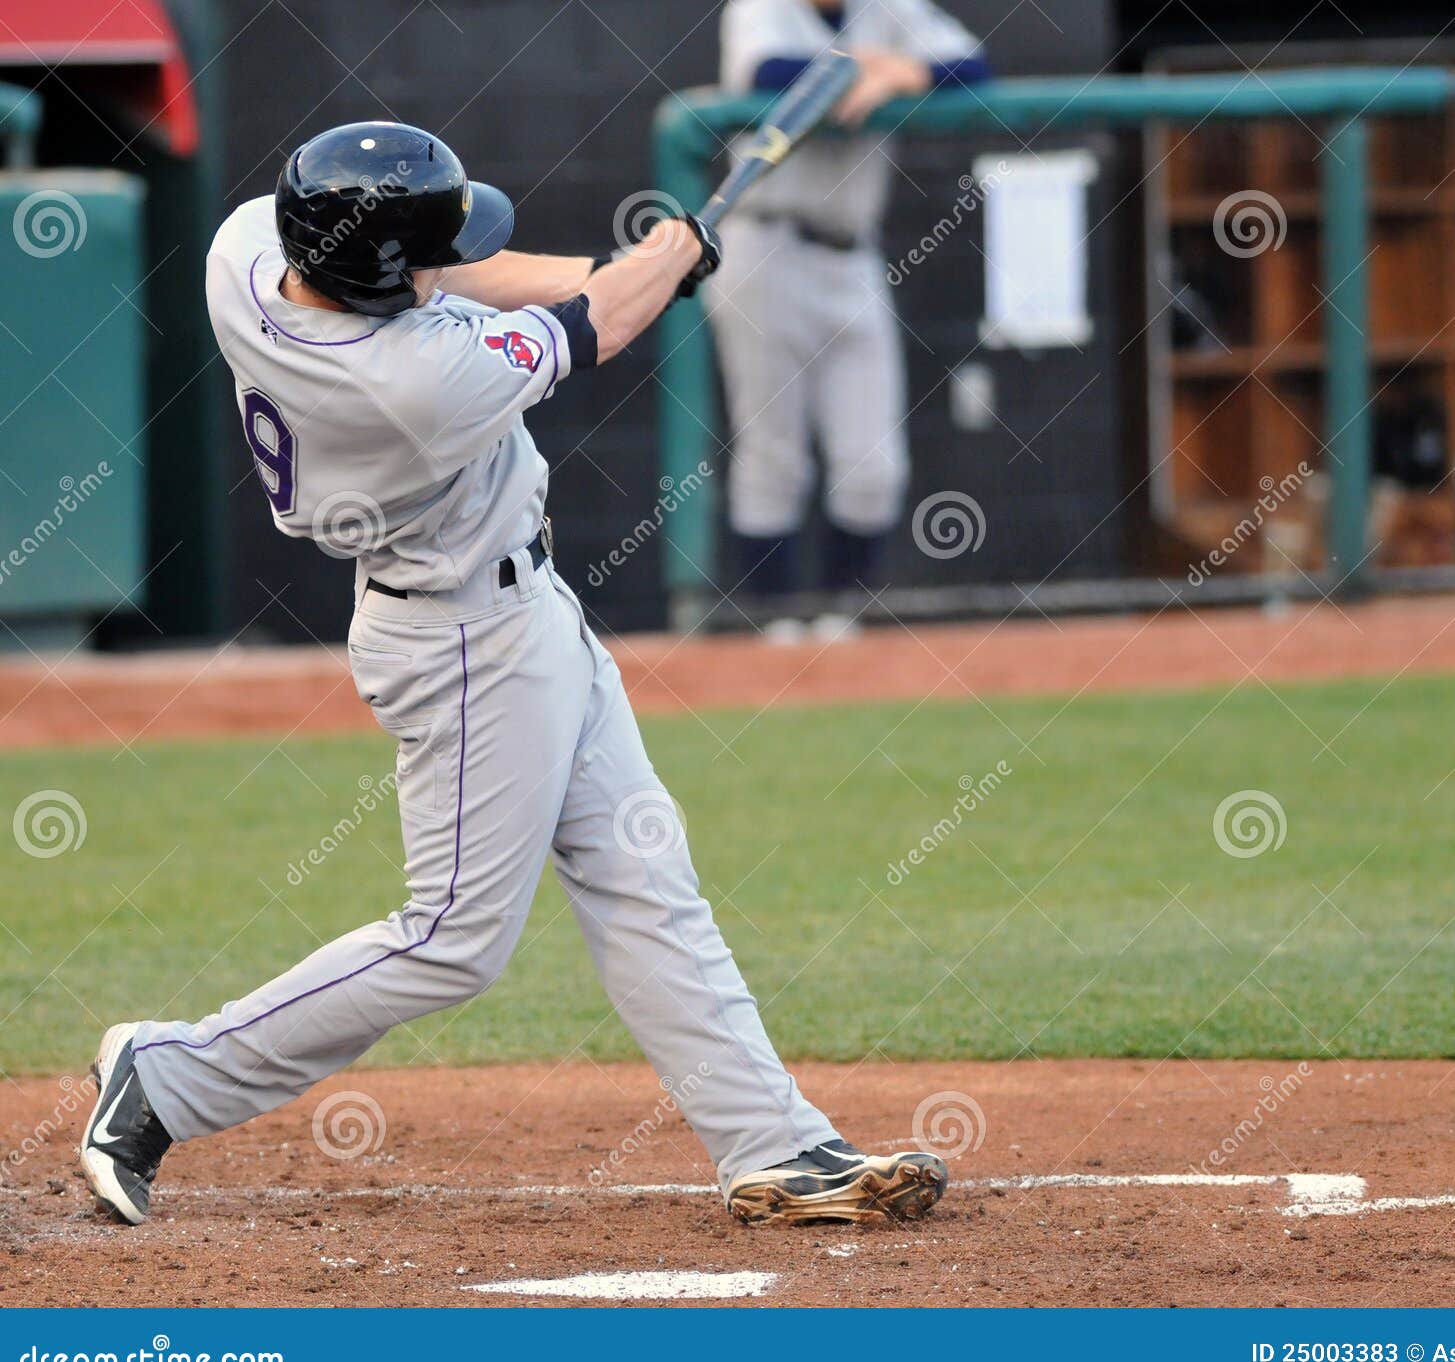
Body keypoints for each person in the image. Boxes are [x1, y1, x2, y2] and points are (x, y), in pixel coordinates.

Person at [78, 121, 946, 1229]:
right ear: (386, 283)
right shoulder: (419, 380)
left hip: (519, 612)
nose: (444, 264)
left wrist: (639, 264)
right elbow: (599, 330)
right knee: (450, 943)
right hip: (462, 643)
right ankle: (167, 1076)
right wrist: (661, 264)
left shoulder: (251, 249)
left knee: (644, 874)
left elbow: (474, 272)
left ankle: (772, 1144)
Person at [706, 0, 989, 641]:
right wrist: (873, 67)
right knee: (775, 456)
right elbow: (768, 73)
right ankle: (773, 626)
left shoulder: (890, 8)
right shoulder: (761, 9)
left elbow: (975, 64)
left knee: (874, 467)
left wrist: (900, 73)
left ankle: (841, 622)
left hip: (852, 253)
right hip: (765, 242)